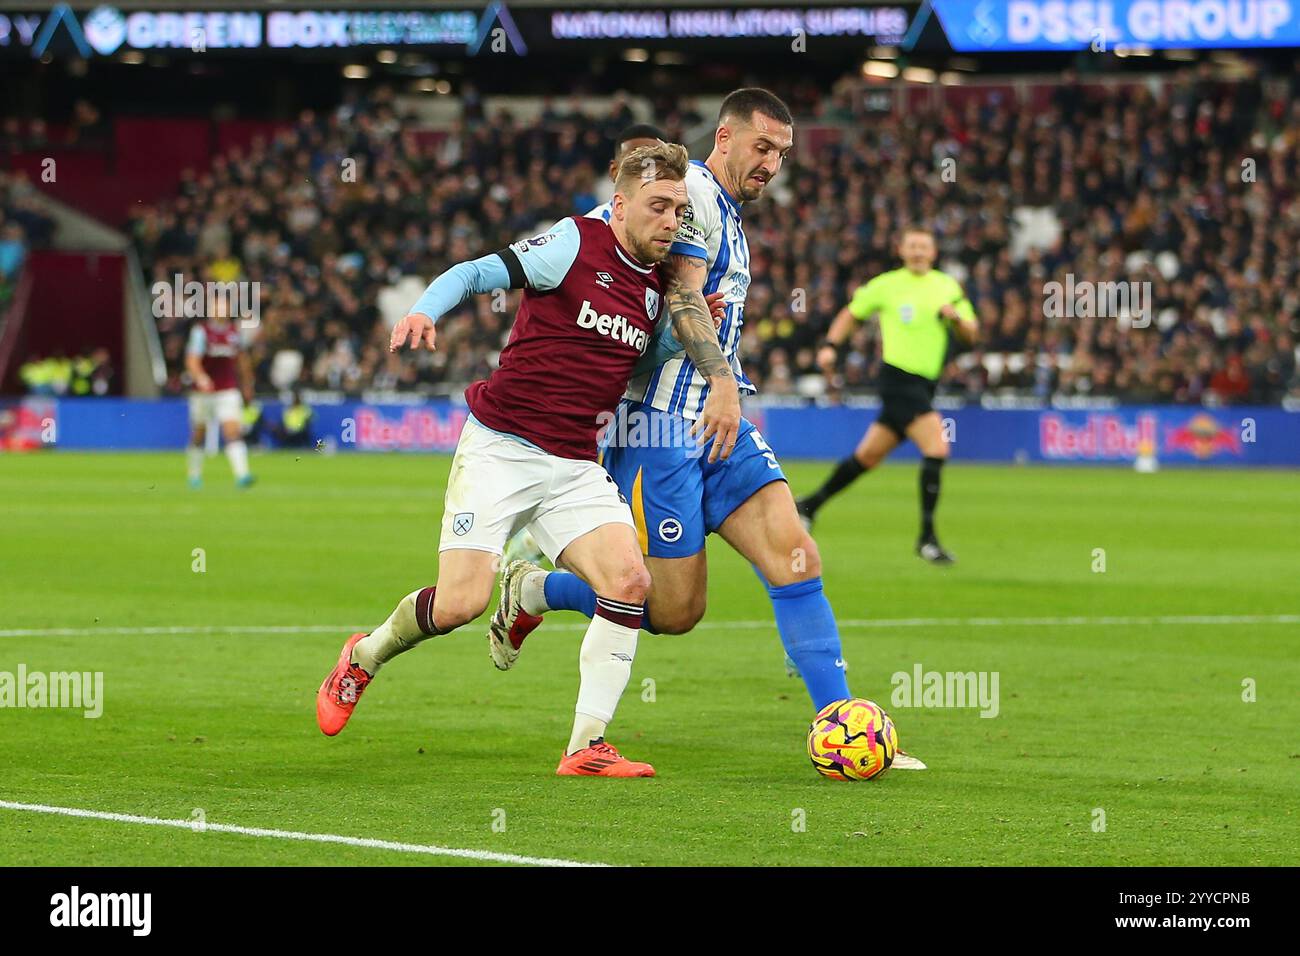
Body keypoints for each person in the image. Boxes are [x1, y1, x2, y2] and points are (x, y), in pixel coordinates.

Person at [488, 91, 924, 770]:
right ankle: (536, 588)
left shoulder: (729, 212)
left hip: (719, 423)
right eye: (763, 147)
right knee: (671, 610)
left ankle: (842, 724)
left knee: (795, 553)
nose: (773, 163)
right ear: (726, 135)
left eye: (783, 152)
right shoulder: (688, 191)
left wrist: (723, 389)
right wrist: (722, 383)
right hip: (661, 427)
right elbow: (685, 294)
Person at [316, 143, 708, 777]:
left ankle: (584, 748)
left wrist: (670, 338)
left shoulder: (653, 287)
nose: (671, 220)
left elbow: (623, 361)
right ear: (622, 203)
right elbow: (473, 273)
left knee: (631, 583)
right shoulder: (572, 243)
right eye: (659, 206)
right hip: (503, 449)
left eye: (679, 208)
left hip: (576, 463)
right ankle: (363, 658)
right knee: (459, 606)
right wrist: (423, 310)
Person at [798, 226, 978, 565]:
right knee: (937, 447)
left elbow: (972, 334)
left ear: (934, 252)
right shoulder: (887, 284)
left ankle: (808, 505)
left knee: (866, 457)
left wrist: (956, 320)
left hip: (925, 384)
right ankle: (927, 538)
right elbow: (851, 313)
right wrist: (830, 346)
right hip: (897, 379)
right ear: (901, 250)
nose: (918, 252)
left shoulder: (947, 286)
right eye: (912, 246)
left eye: (924, 246)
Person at [184, 295, 255, 488]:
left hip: (227, 389)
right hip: (203, 391)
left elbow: (241, 360)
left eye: (224, 306)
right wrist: (200, 377)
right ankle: (194, 475)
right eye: (218, 306)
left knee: (232, 430)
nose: (222, 310)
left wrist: (247, 385)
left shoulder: (234, 332)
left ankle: (243, 475)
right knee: (199, 433)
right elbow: (192, 359)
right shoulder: (201, 332)